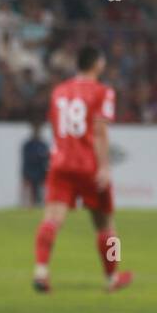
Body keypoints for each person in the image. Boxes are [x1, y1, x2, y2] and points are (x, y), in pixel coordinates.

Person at [34, 45, 133, 294]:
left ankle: (41, 271)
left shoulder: (59, 91)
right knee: (106, 225)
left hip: (60, 163)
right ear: (97, 64)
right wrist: (105, 167)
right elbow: (99, 131)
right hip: (88, 165)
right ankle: (112, 278)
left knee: (52, 220)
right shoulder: (103, 92)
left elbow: (56, 125)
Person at [21, 116, 50, 206]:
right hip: (30, 172)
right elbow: (25, 160)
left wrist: (46, 172)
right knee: (31, 193)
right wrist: (25, 174)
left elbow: (47, 159)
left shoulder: (43, 144)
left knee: (41, 193)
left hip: (41, 173)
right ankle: (30, 206)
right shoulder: (28, 145)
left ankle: (41, 205)